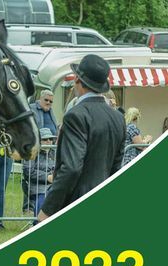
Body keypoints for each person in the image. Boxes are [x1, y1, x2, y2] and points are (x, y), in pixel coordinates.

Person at [39, 55, 125, 222]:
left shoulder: (76, 115)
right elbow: (116, 167)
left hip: (75, 201)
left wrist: (48, 209)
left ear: (77, 79)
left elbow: (71, 168)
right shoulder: (118, 117)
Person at [23, 128, 57, 222]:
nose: (49, 141)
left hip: (54, 186)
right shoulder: (32, 152)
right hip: (37, 186)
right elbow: (28, 171)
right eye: (45, 139)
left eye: (50, 139)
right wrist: (47, 177)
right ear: (39, 141)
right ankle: (38, 223)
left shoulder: (55, 152)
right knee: (44, 197)